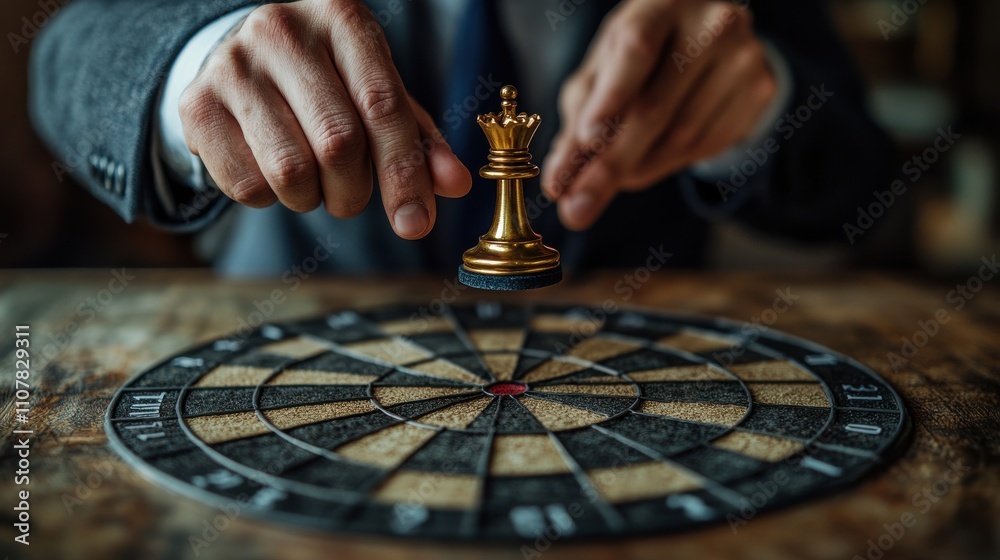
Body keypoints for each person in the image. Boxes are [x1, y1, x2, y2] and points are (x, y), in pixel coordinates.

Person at [29, 0, 894, 276]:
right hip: (290, 371)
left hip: (632, 386)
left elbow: (863, 173)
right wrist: (196, 65)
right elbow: (66, 51)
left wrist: (759, 113)